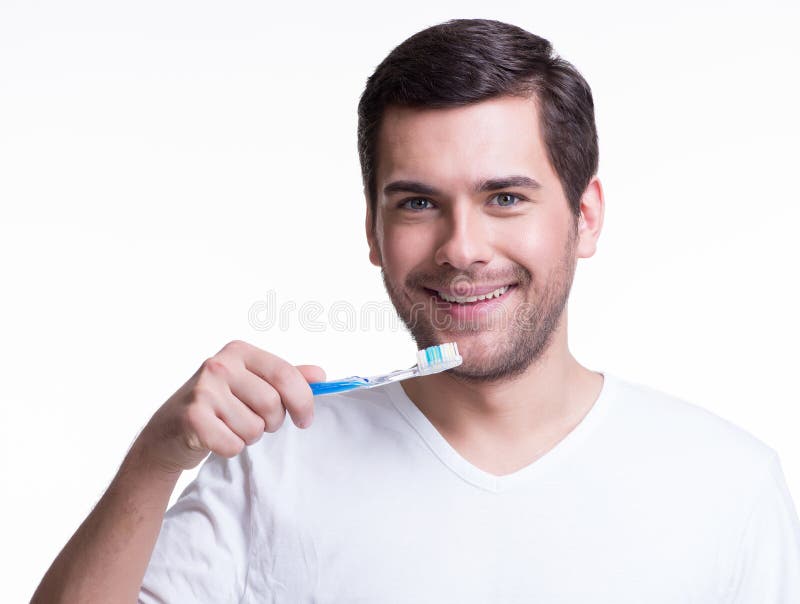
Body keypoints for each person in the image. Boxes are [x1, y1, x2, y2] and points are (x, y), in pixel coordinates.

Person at [33, 18, 800, 603]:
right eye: (419, 203)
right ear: (373, 231)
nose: (462, 248)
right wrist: (154, 462)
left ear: (586, 216)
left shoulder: (728, 485)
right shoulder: (269, 470)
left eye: (505, 198)